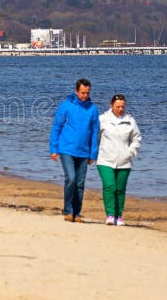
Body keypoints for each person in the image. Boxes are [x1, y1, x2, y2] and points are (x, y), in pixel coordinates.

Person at [49, 78, 100, 222]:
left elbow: (95, 131)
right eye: (82, 92)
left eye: (87, 93)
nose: (85, 95)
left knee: (80, 183)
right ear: (76, 91)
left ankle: (77, 213)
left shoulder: (93, 109)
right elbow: (56, 127)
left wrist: (93, 153)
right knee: (71, 178)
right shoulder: (66, 106)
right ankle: (68, 210)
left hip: (84, 152)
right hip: (66, 149)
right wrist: (53, 148)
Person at [96, 94, 142, 226]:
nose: (120, 109)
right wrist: (93, 153)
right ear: (111, 106)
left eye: (122, 106)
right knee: (110, 186)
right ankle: (110, 215)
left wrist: (131, 152)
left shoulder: (130, 120)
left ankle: (119, 216)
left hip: (124, 161)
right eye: (117, 106)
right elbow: (96, 138)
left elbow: (137, 138)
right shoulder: (102, 119)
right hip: (105, 160)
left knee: (120, 189)